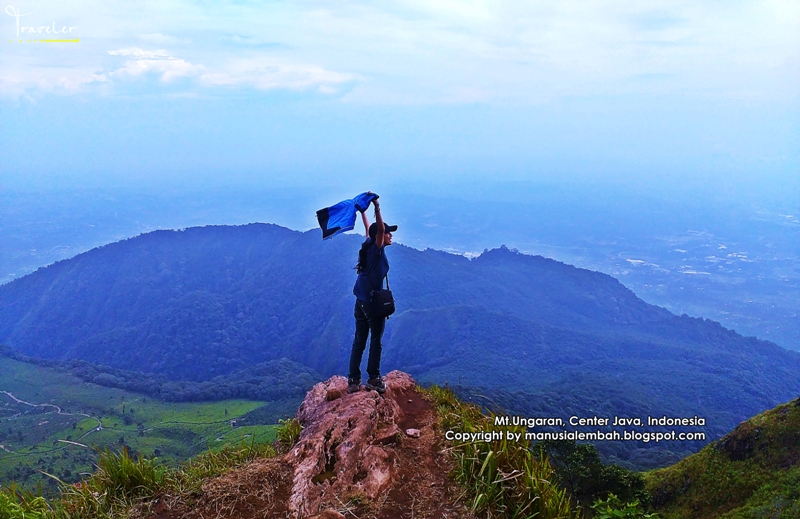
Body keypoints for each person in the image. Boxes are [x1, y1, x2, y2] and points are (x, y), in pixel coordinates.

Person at [348, 196, 397, 394]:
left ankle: (353, 380)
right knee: (375, 339)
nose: (390, 236)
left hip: (360, 301)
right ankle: (374, 378)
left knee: (359, 340)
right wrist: (376, 207)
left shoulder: (368, 245)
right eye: (388, 234)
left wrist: (363, 212)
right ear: (381, 236)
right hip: (370, 303)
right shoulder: (376, 250)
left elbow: (370, 229)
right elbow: (377, 230)